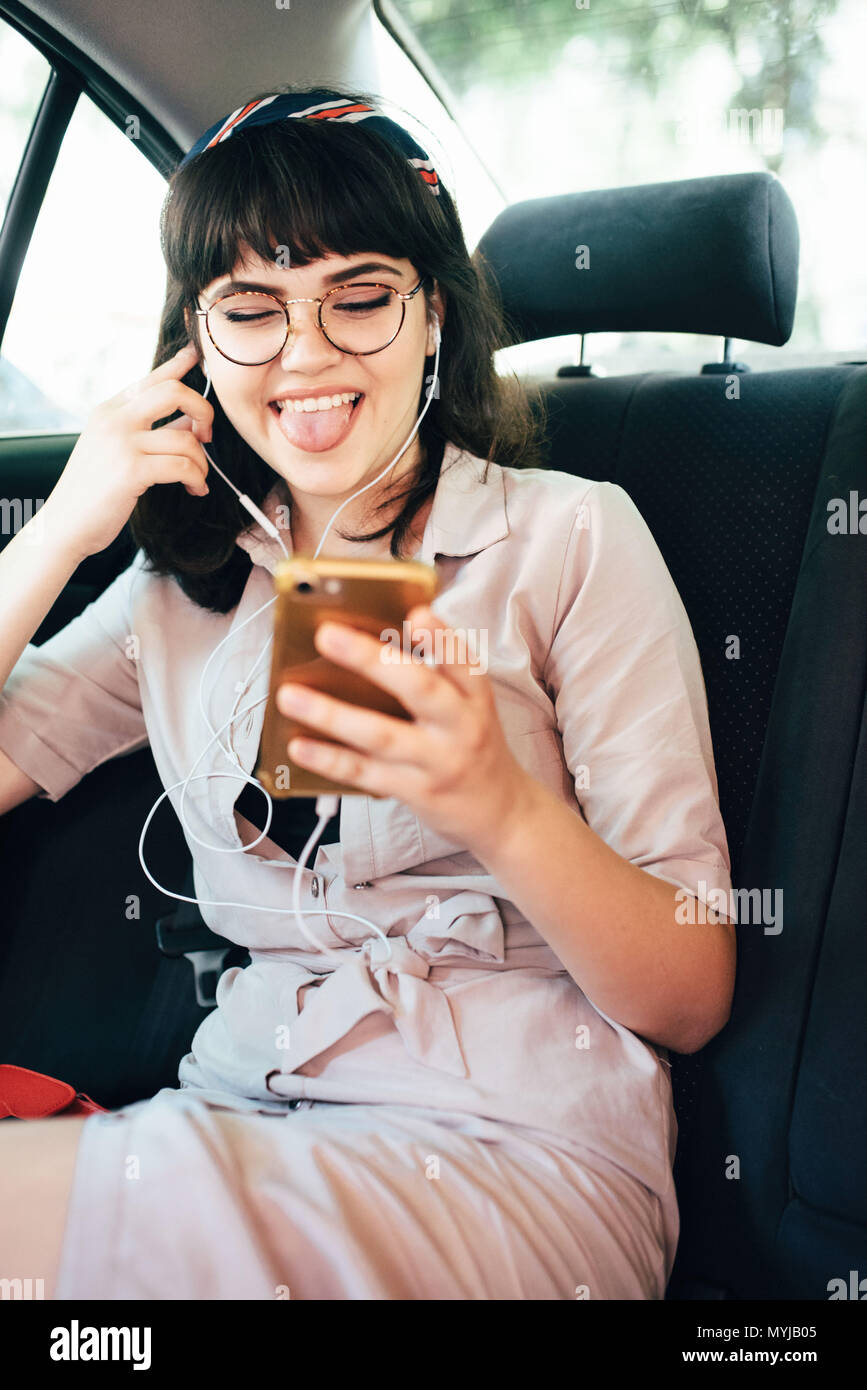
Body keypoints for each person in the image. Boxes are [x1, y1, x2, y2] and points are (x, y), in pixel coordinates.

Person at [0, 85, 735, 1300]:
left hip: (514, 1149)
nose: (307, 353)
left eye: (359, 296)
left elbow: (696, 992)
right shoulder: (184, 589)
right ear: (196, 337)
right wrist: (60, 534)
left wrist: (503, 806)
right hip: (245, 1111)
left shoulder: (569, 539)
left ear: (432, 311)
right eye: (252, 308)